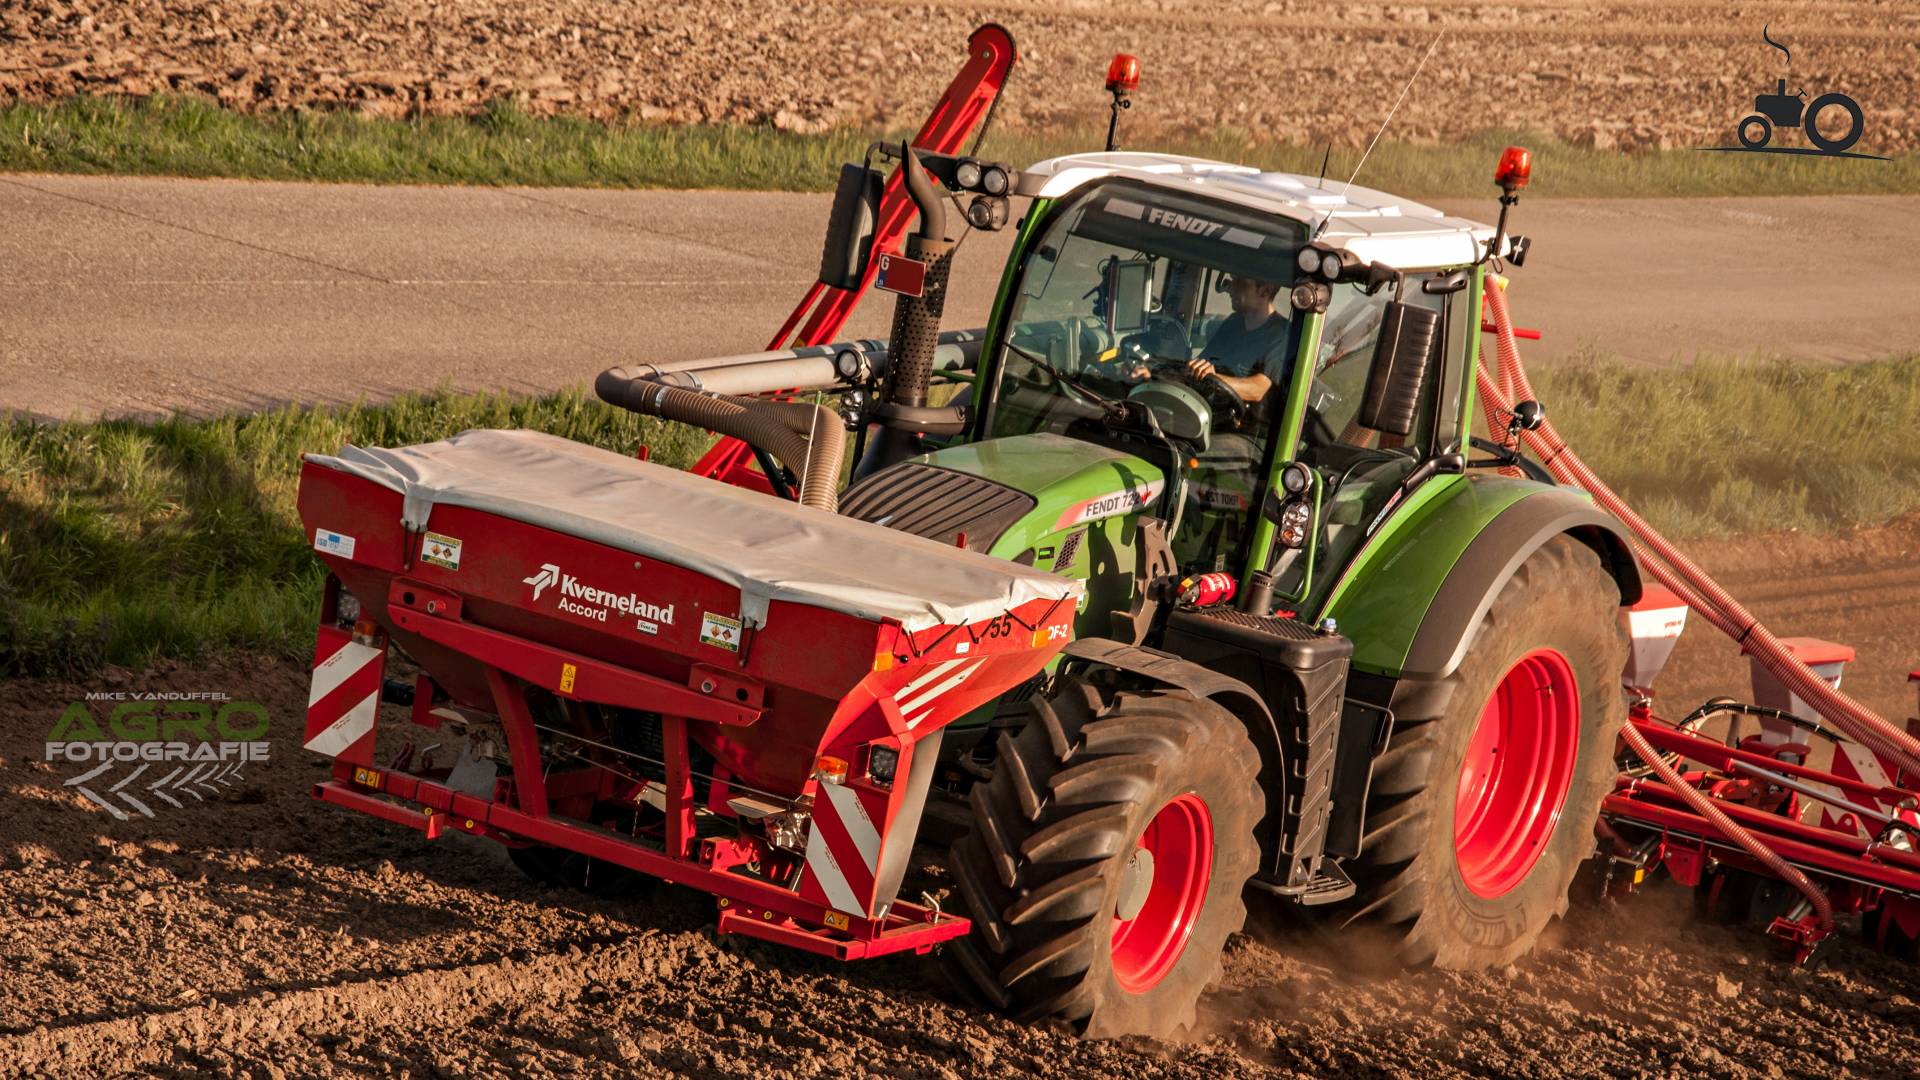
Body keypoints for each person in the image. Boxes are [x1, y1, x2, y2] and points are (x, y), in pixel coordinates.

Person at [1186, 275, 1288, 402]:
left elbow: (1258, 389)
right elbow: (1201, 362)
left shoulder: (1281, 334)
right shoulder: (1233, 322)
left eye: (1241, 283)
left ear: (1265, 291)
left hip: (1249, 419)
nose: (1231, 289)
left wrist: (1213, 379)